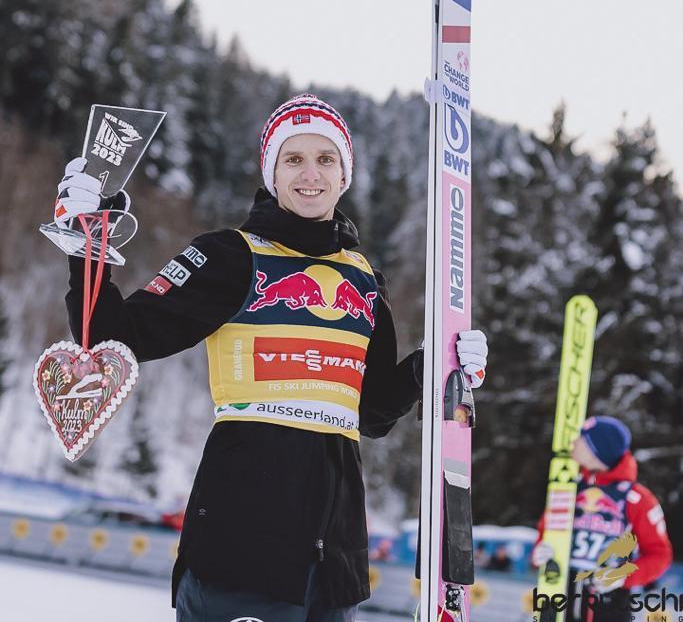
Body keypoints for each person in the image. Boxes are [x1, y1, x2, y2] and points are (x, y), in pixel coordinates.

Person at [56, 93, 489, 622]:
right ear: (272, 173)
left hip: (335, 563)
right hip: (242, 550)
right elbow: (114, 337)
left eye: (326, 159)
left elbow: (371, 413)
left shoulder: (363, 279)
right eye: (294, 159)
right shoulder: (232, 255)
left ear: (344, 174)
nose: (311, 174)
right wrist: (87, 244)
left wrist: (434, 365)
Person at [532, 415, 673, 622]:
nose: (574, 442)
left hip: (607, 606)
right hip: (558, 595)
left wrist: (623, 576)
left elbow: (660, 555)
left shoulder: (637, 499)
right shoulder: (569, 485)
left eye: (582, 439)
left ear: (598, 451)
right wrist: (540, 550)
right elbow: (546, 529)